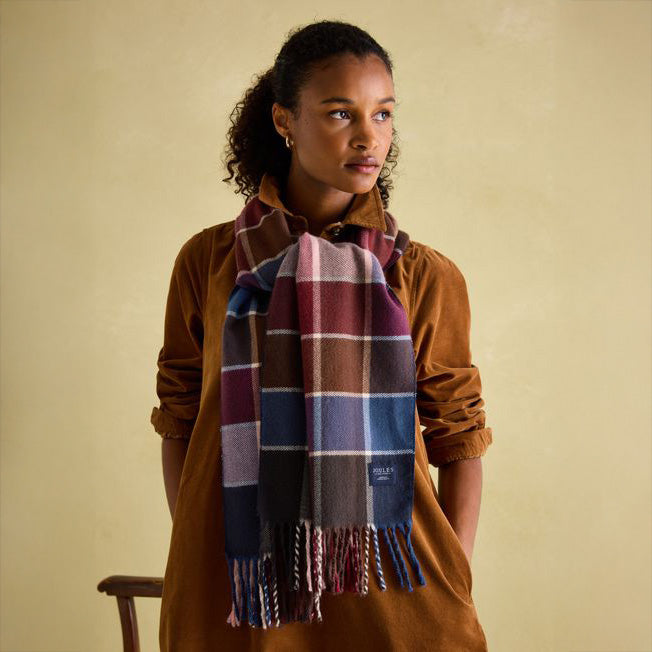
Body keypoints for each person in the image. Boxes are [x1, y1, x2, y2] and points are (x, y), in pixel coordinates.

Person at [151, 19, 493, 651]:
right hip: (242, 585)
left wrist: (455, 572)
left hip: (391, 580)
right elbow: (179, 418)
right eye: (341, 113)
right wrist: (200, 550)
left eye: (383, 114)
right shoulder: (210, 262)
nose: (370, 137)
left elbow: (459, 436)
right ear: (285, 120)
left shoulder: (419, 274)